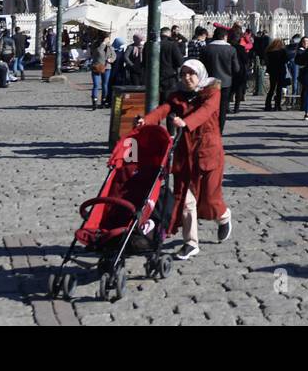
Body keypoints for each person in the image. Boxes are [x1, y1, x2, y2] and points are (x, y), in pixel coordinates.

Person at [137, 58, 232, 259]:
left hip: (208, 152)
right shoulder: (177, 96)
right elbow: (162, 110)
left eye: (191, 73)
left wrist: (185, 122)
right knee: (185, 200)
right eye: (183, 74)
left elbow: (205, 112)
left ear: (200, 74)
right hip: (184, 154)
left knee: (209, 200)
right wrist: (146, 121)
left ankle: (223, 217)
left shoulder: (212, 92)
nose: (187, 78)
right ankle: (191, 243)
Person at [199, 26, 237, 131]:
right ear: (225, 37)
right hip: (225, 82)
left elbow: (201, 66)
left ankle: (209, 127)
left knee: (209, 106)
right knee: (223, 107)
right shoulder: (231, 49)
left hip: (209, 82)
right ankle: (220, 129)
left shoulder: (205, 49)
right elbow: (236, 68)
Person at [90, 33, 115, 108]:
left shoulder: (109, 46)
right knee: (96, 84)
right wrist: (103, 43)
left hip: (107, 67)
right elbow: (98, 52)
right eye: (107, 38)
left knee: (105, 85)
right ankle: (94, 100)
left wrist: (111, 59)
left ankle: (103, 100)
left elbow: (113, 55)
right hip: (96, 66)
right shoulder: (96, 45)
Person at [264, 38, 288, 111]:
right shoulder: (283, 51)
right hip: (281, 71)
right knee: (279, 88)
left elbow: (267, 62)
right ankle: (277, 105)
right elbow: (286, 60)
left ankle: (267, 105)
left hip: (272, 71)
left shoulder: (269, 52)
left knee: (272, 88)